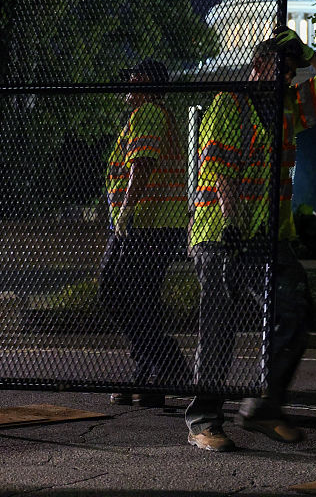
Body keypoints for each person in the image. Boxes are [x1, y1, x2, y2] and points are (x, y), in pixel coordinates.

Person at [185, 26, 316, 452]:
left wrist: (306, 52)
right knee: (218, 328)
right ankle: (204, 421)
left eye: (292, 71)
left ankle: (264, 407)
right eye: (283, 68)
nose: (290, 77)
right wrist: (233, 223)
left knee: (292, 309)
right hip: (219, 234)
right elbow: (220, 169)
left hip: (266, 237)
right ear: (258, 67)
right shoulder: (229, 103)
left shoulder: (291, 105)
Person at [100, 60, 189, 408]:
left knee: (114, 289)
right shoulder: (153, 113)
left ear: (146, 84)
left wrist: (126, 210)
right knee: (141, 298)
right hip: (153, 224)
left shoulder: (148, 112)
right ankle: (150, 375)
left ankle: (166, 364)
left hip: (146, 225)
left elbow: (142, 164)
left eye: (133, 78)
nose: (127, 83)